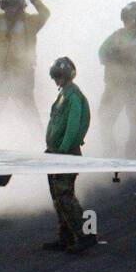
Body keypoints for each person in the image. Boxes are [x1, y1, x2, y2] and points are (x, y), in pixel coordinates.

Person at [42, 56, 96, 254]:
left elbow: (73, 126)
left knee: (65, 196)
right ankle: (65, 237)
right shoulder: (64, 94)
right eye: (55, 76)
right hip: (56, 152)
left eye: (60, 76)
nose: (57, 79)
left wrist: (63, 149)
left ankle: (85, 235)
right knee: (58, 196)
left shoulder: (73, 96)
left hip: (65, 153)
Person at [97, 1, 136, 156]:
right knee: (104, 117)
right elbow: (102, 53)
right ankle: (109, 150)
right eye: (126, 19)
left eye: (131, 19)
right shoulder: (117, 35)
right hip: (115, 86)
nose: (128, 22)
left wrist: (119, 56)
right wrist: (116, 57)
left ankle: (132, 153)